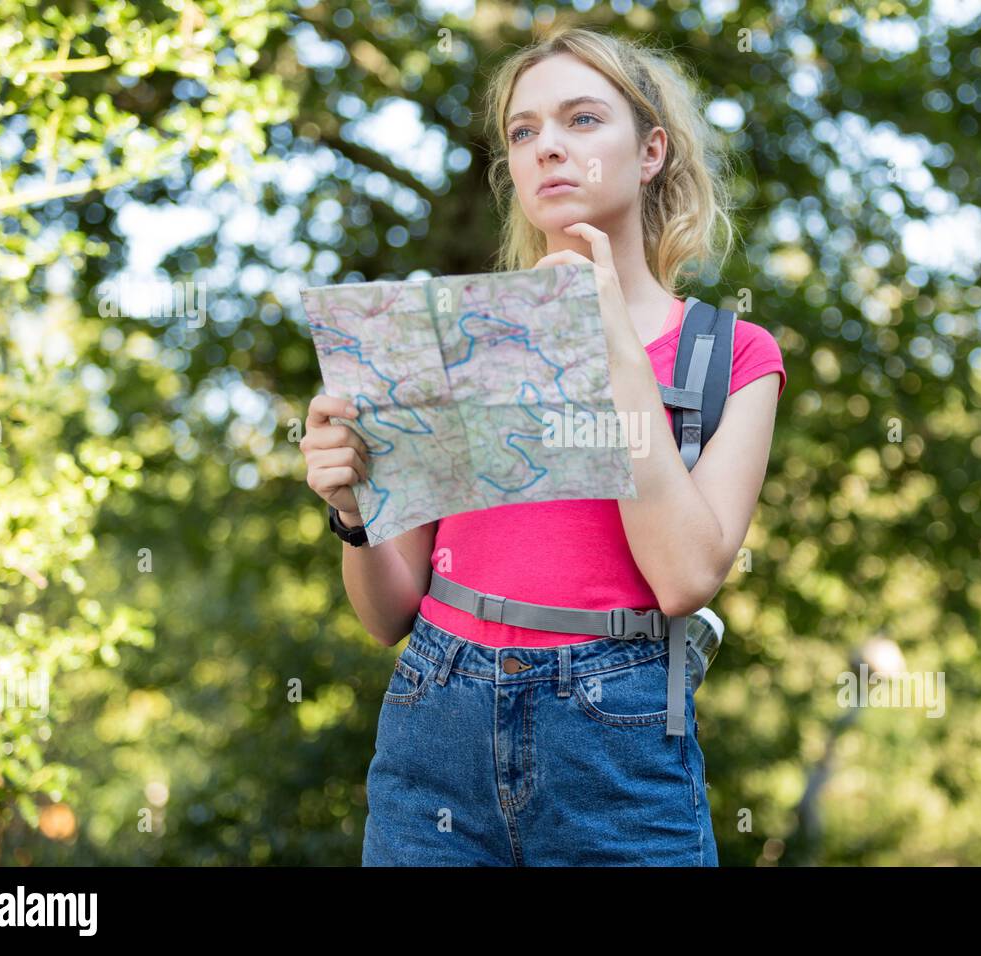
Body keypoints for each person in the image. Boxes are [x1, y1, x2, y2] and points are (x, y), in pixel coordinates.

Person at [300, 26, 786, 866]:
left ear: (651, 153)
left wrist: (612, 351)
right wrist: (352, 513)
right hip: (435, 727)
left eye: (582, 120)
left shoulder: (731, 355)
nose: (547, 147)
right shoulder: (453, 343)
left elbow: (683, 576)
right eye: (524, 132)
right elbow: (386, 614)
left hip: (618, 750)